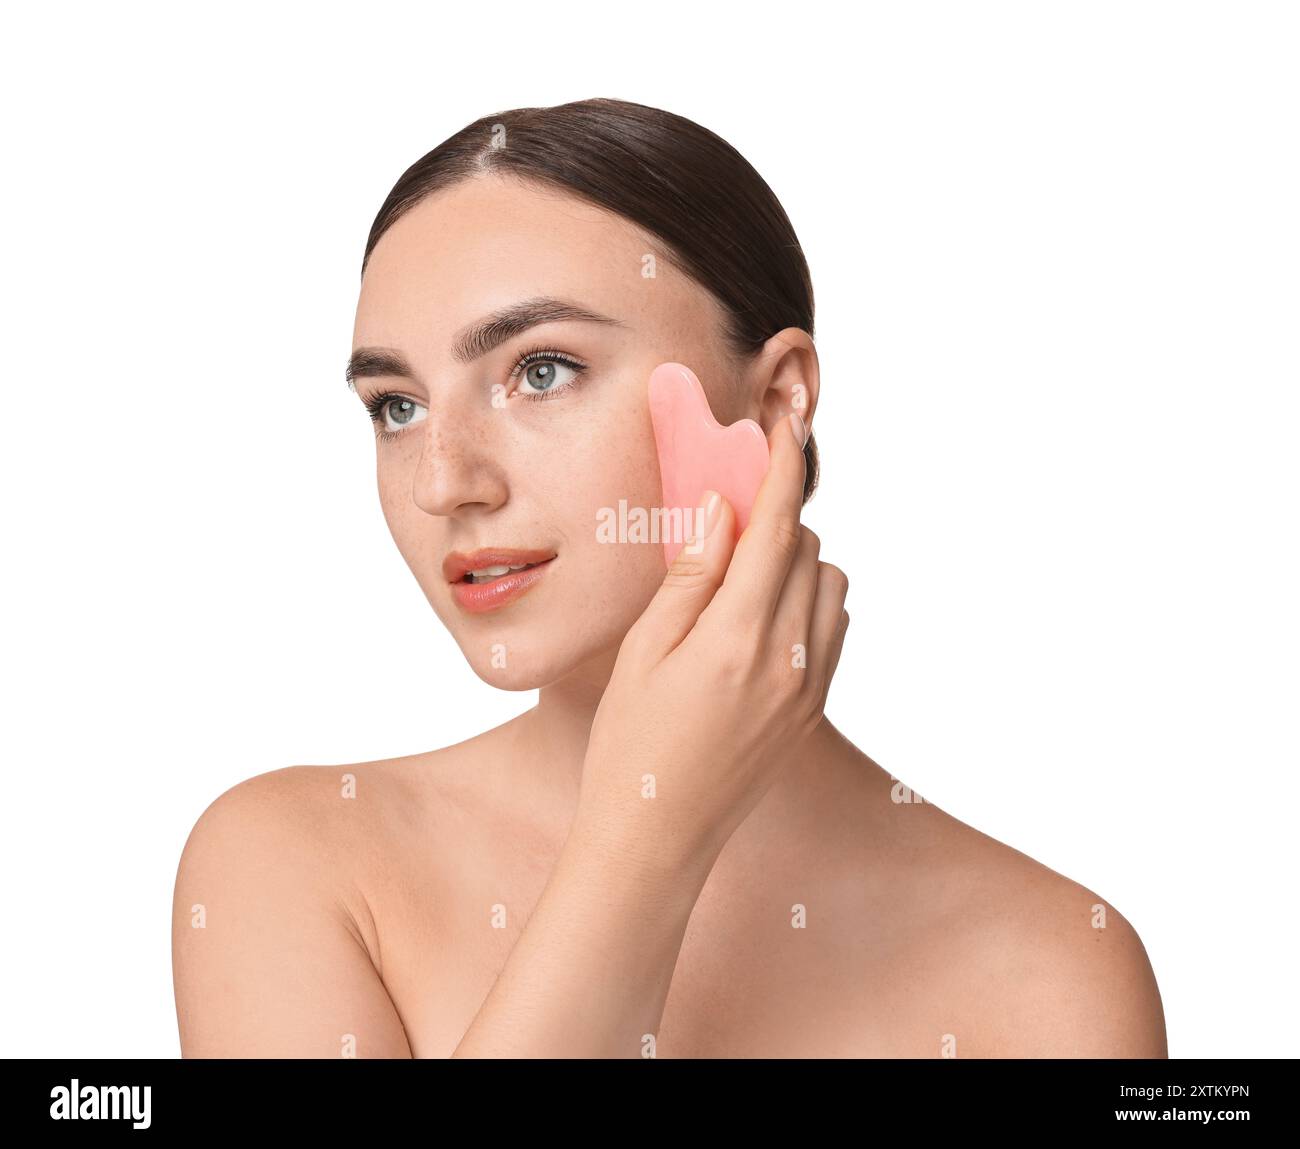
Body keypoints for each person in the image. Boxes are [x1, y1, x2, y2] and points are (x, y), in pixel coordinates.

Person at [172, 97, 1168, 1058]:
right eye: (396, 407)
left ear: (776, 398)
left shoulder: (1052, 965)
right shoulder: (295, 865)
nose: (443, 483)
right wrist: (643, 841)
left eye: (542, 370)